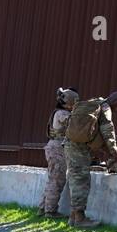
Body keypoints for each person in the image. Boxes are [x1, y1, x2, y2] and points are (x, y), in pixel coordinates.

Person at [65, 90, 117, 228]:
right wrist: (116, 153)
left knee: (75, 178)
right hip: (79, 148)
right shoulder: (106, 108)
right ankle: (79, 218)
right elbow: (108, 132)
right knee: (81, 180)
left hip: (70, 144)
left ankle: (73, 218)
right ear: (116, 103)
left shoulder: (94, 102)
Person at [40, 87, 78, 217]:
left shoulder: (58, 112)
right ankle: (50, 211)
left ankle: (43, 208)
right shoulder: (63, 114)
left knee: (52, 179)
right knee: (57, 180)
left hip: (53, 147)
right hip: (57, 149)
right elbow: (75, 124)